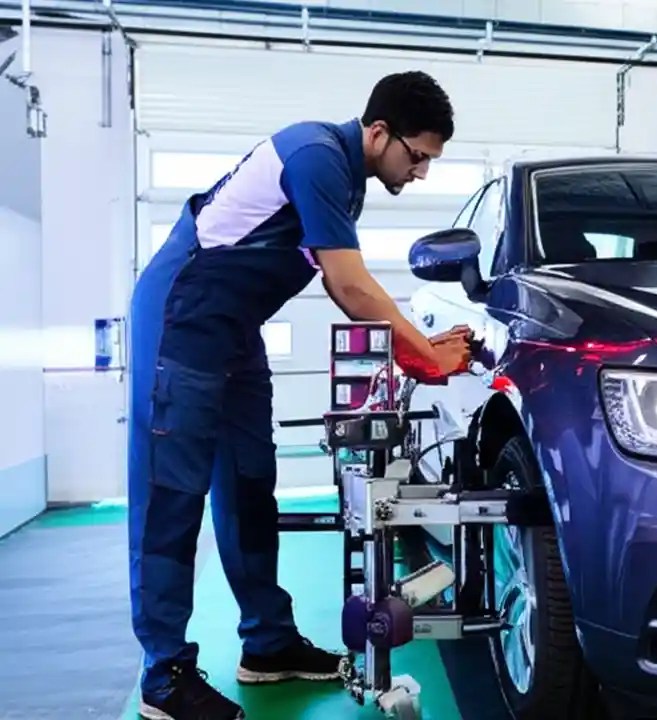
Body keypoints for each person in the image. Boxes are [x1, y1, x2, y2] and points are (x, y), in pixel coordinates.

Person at [127, 70, 472, 720]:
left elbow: (348, 286)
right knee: (171, 494)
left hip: (236, 331)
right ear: (378, 132)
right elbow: (349, 286)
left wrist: (417, 349)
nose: (421, 172)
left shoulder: (346, 179)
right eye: (418, 156)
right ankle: (164, 676)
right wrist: (424, 354)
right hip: (184, 316)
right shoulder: (316, 156)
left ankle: (267, 642)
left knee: (251, 484)